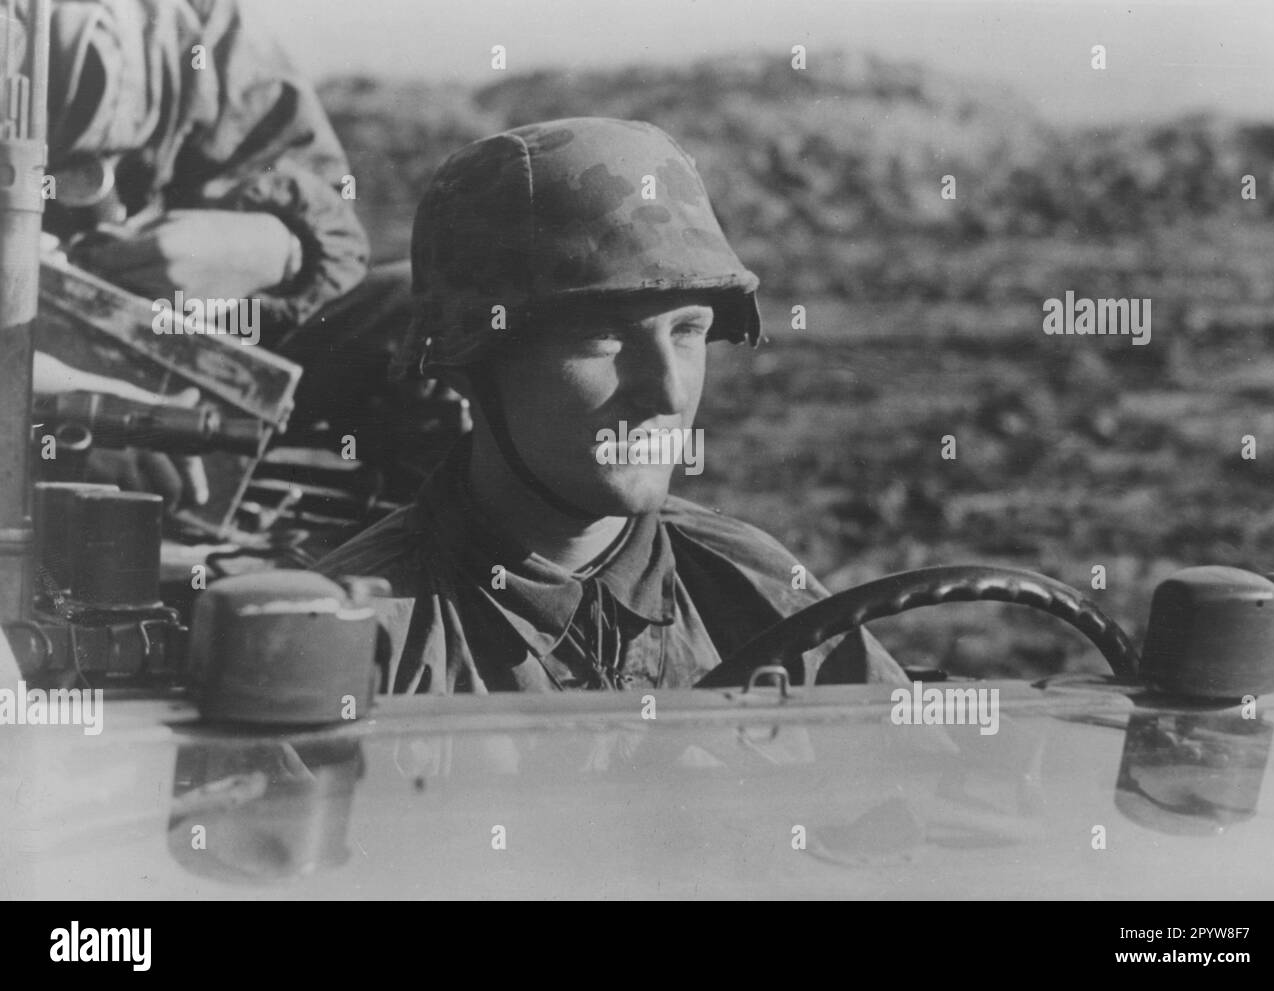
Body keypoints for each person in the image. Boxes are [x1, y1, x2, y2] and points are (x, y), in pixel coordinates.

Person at [316, 117, 906, 693]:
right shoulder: (353, 642)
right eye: (602, 336)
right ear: (469, 366)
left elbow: (929, 778)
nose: (669, 392)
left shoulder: (756, 589)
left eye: (687, 331)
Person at [24, 0, 424, 509]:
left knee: (419, 308)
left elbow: (331, 228)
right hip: (40, 405)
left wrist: (277, 247)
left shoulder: (194, 21)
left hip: (199, 379)